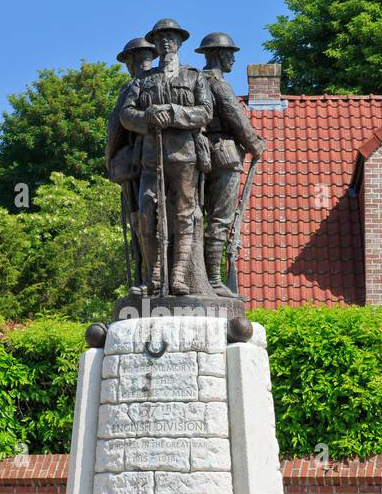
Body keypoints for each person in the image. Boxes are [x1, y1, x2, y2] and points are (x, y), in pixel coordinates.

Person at [118, 18, 214, 296]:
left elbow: (205, 112)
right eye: (160, 39)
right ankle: (155, 276)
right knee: (148, 214)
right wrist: (148, 117)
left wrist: (174, 112)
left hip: (185, 157)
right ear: (155, 45)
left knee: (185, 215)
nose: (166, 43)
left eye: (171, 38)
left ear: (180, 42)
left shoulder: (194, 76)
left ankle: (180, 275)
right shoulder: (143, 80)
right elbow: (126, 114)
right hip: (151, 157)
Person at [196, 32, 266, 298]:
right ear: (218, 54)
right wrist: (256, 145)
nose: (233, 59)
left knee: (201, 218)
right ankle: (214, 279)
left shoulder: (196, 80)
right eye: (230, 54)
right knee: (221, 219)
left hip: (202, 155)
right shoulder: (218, 84)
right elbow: (238, 121)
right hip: (224, 156)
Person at [105, 37, 157, 291]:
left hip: (137, 165)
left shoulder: (132, 86)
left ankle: (143, 275)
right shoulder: (163, 81)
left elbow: (116, 126)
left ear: (133, 59)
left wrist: (110, 157)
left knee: (139, 222)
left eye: (127, 60)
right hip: (167, 162)